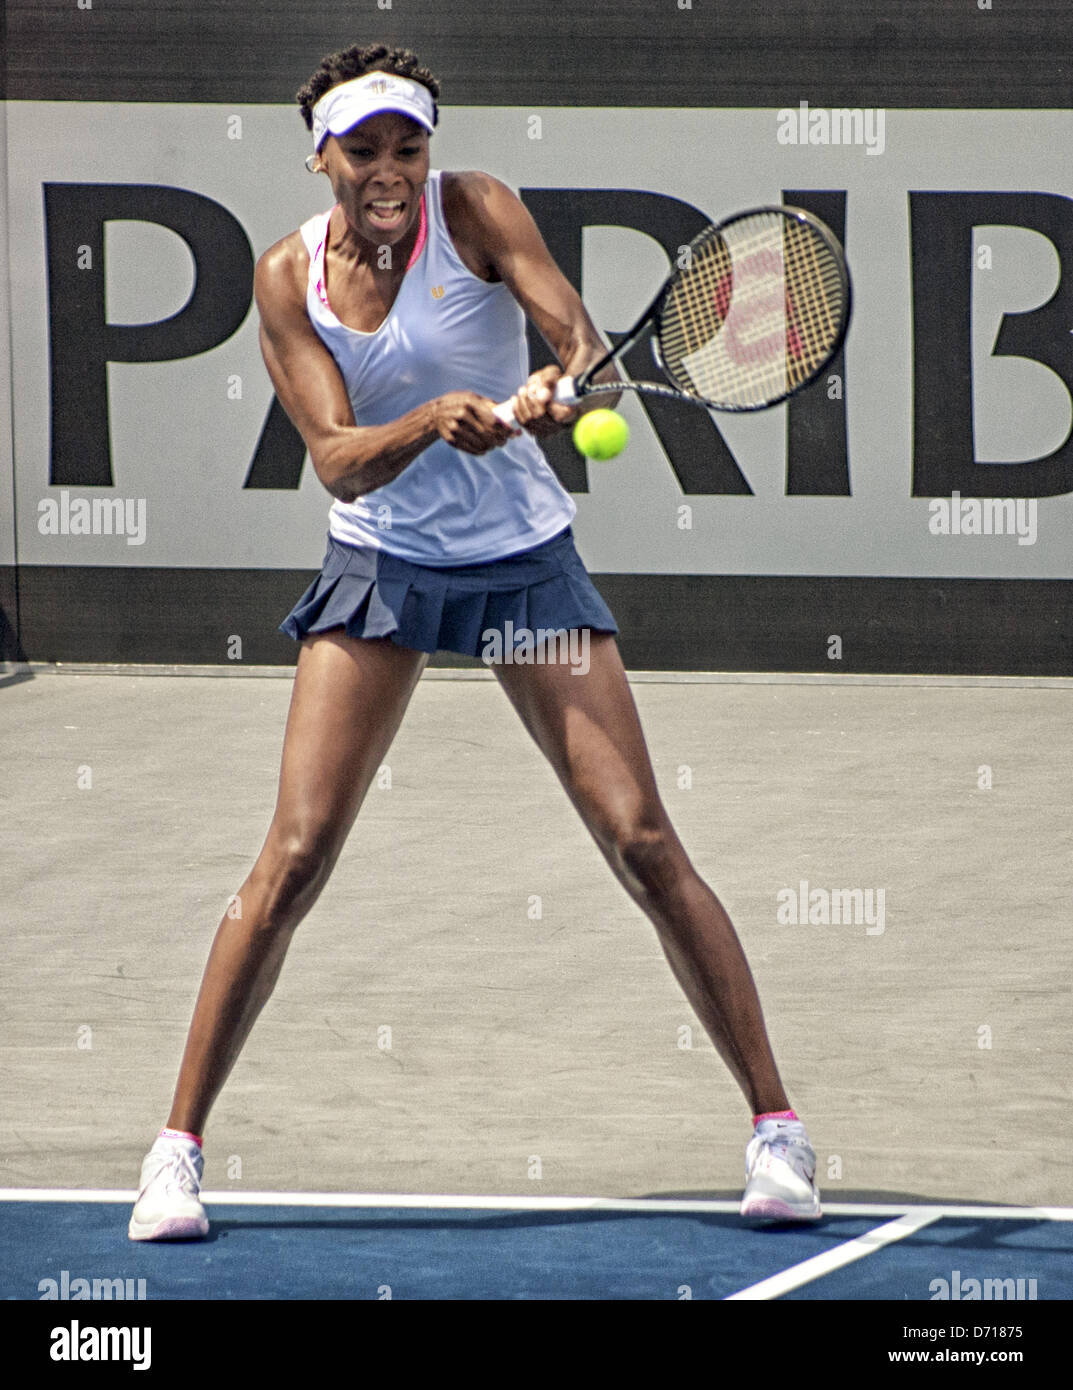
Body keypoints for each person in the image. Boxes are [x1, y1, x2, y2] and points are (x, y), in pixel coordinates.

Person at [128, 42, 821, 1243]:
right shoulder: (286, 277)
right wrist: (429, 425)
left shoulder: (478, 209)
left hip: (521, 574)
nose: (389, 169)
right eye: (365, 150)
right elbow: (335, 455)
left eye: (407, 144)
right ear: (322, 158)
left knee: (641, 837)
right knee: (295, 852)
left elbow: (590, 365)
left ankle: (777, 1128)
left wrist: (571, 388)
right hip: (382, 573)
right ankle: (175, 1151)